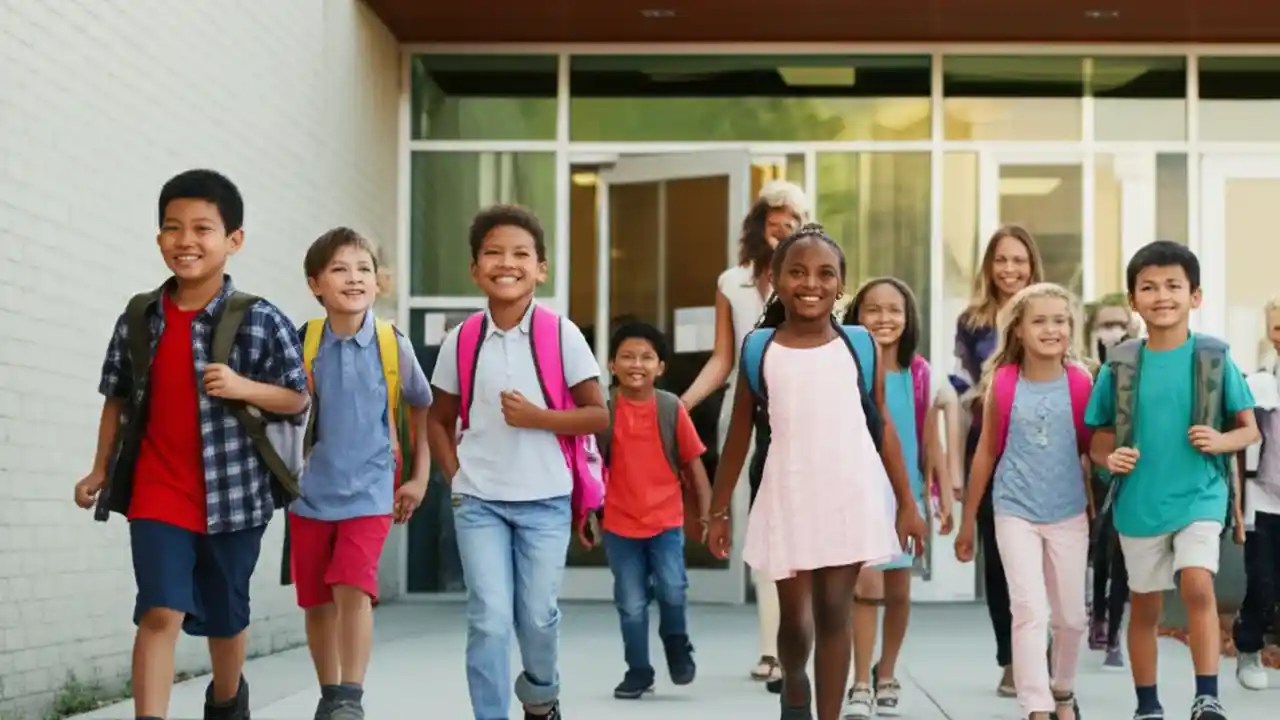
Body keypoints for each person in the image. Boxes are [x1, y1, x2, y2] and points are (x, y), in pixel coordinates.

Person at [73, 169, 310, 720]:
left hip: (234, 493)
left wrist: (242, 386)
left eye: (202, 228)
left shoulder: (259, 319)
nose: (186, 241)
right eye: (173, 228)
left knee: (226, 616)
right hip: (158, 490)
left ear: (234, 240)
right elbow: (117, 398)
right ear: (159, 238)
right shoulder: (140, 317)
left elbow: (297, 399)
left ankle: (227, 702)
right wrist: (98, 469)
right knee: (159, 610)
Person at [706, 224, 927, 720]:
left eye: (826, 274)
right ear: (777, 280)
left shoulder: (859, 344)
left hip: (849, 494)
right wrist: (717, 511)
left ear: (841, 284)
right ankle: (794, 682)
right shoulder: (760, 347)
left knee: (833, 610)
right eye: (798, 272)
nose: (812, 283)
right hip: (788, 495)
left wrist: (907, 505)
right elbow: (739, 435)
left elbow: (882, 426)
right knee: (795, 619)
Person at [425, 205, 609, 720]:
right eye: (494, 253)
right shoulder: (461, 339)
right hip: (479, 500)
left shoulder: (560, 334)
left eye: (521, 254)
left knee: (537, 617)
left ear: (541, 268)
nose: (507, 263)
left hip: (546, 500)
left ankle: (541, 697)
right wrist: (454, 477)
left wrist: (538, 417)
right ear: (475, 268)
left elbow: (598, 415)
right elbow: (437, 419)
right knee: (487, 618)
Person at [1087, 240, 1258, 720]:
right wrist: (1109, 459)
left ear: (1195, 296)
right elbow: (1097, 438)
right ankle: (1148, 704)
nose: (1161, 295)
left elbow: (1249, 428)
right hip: (1140, 503)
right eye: (1149, 287)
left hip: (1200, 495)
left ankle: (1207, 697)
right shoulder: (1120, 364)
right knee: (1144, 607)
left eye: (1173, 286)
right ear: (1132, 299)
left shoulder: (1214, 358)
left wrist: (1222, 442)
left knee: (1198, 583)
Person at [289, 228, 434, 720]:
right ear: (316, 284)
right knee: (317, 601)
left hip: (371, 491)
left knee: (353, 586)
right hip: (307, 494)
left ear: (379, 282)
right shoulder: (301, 342)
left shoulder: (392, 344)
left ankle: (350, 695)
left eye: (364, 269)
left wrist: (418, 476)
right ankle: (330, 693)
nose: (354, 278)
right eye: (340, 269)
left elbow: (421, 408)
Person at [682, 180, 808, 684]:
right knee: (760, 525)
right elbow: (722, 358)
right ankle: (771, 649)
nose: (782, 229)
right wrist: (682, 405)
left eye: (792, 222)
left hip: (801, 409)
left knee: (799, 526)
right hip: (744, 409)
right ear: (757, 226)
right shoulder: (731, 281)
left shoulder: (810, 278)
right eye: (773, 220)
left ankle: (799, 641)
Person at [956, 283, 1095, 720]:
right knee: (1029, 610)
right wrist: (966, 523)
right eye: (1039, 320)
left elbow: (1093, 448)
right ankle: (1035, 705)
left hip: (1068, 511)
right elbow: (986, 452)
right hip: (1014, 508)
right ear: (1017, 330)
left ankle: (1063, 689)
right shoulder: (1003, 382)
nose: (1051, 329)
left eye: (1060, 320)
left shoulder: (1081, 381)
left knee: (1071, 618)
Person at [839, 278, 955, 720]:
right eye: (873, 310)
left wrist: (940, 496)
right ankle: (861, 683)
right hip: (860, 491)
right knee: (866, 586)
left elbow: (930, 441)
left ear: (908, 319)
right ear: (856, 317)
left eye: (894, 310)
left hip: (905, 494)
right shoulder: (849, 368)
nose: (884, 319)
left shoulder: (918, 372)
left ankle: (886, 670)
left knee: (899, 591)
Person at [951, 224, 1045, 697]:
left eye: (1019, 260)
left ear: (1032, 265)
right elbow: (960, 385)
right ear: (989, 267)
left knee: (1043, 558)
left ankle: (1040, 656)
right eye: (1001, 260)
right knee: (1000, 562)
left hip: (1043, 449)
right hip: (988, 446)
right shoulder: (972, 322)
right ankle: (1011, 659)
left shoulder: (1048, 313)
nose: (1010, 269)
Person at [597, 322, 712, 700]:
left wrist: (710, 514)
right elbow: (588, 470)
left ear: (660, 366)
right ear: (611, 364)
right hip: (619, 524)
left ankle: (676, 645)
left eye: (647, 357)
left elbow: (694, 465)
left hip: (665, 521)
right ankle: (638, 670)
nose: (637, 364)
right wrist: (584, 515)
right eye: (627, 356)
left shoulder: (670, 408)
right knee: (630, 603)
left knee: (673, 589)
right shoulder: (603, 412)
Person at [1083, 293, 1137, 670]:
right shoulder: (1087, 370)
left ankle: (1114, 631)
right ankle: (1097, 612)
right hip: (1094, 471)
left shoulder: (1137, 363)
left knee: (1120, 553)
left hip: (1128, 469)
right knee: (1099, 548)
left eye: (1120, 323)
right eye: (1106, 324)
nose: (1112, 331)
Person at [1234, 298, 1280, 691]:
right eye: (1279, 328)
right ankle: (1248, 647)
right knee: (1264, 583)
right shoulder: (1260, 384)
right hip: (1265, 501)